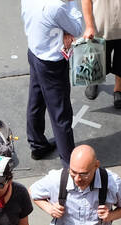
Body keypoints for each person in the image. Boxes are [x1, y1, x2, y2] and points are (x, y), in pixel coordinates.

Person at [21, 0, 87, 161]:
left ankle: (37, 145)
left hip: (35, 52)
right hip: (52, 64)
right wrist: (71, 3)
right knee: (61, 114)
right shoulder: (57, 7)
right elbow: (77, 28)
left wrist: (61, 28)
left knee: (36, 101)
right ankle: (69, 162)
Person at [80, 0, 121, 110]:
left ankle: (118, 89)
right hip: (99, 28)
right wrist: (89, 26)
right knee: (96, 60)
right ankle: (94, 81)